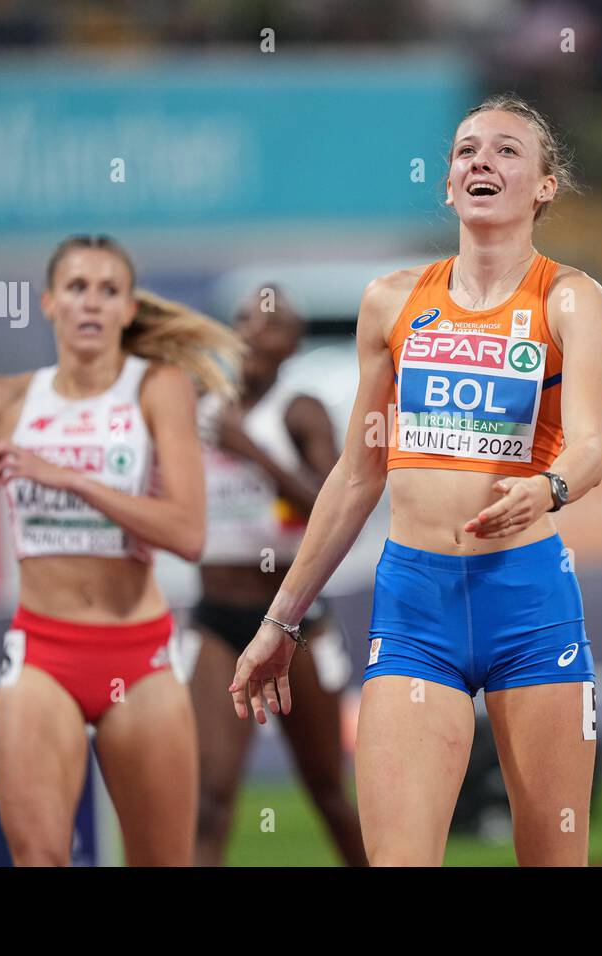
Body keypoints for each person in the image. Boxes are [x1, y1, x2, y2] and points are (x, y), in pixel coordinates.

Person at [228, 95, 602, 866]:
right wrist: (281, 620)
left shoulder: (570, 299)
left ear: (544, 186)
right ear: (448, 185)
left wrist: (550, 488)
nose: (482, 161)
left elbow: (593, 444)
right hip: (416, 607)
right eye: (468, 150)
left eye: (507, 151)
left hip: (527, 602)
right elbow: (355, 474)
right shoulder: (393, 301)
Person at [0, 234, 243, 866]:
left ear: (128, 310)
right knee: (39, 859)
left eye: (108, 290)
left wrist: (72, 478)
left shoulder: (157, 389)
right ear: (49, 302)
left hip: (139, 658)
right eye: (77, 288)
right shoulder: (3, 398)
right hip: (43, 655)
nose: (91, 302)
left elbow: (187, 535)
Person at [186, 286, 367, 866]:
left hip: (294, 622)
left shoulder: (299, 409)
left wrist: (253, 454)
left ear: (291, 344)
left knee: (328, 793)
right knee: (209, 798)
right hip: (217, 621)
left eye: (269, 325)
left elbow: (330, 504)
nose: (251, 332)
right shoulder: (201, 404)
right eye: (243, 319)